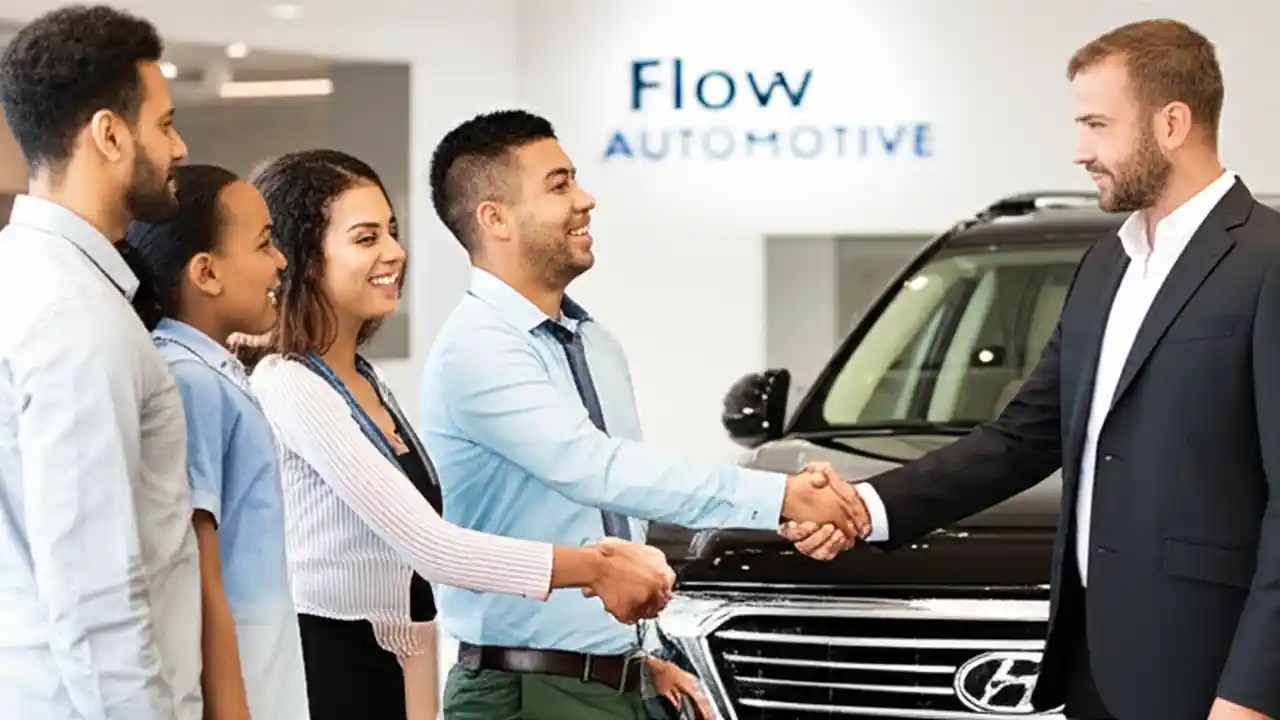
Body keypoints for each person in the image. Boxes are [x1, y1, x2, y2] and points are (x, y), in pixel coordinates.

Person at [785, 18, 1280, 720]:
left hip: (1209, 680)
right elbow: (1023, 437)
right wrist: (867, 506)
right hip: (1093, 674)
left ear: (1172, 122)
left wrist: (1254, 695)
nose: (1080, 152)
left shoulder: (1268, 262)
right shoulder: (1107, 263)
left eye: (1098, 125)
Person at [420, 109, 868, 719]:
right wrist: (783, 497)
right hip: (530, 691)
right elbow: (598, 470)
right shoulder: (478, 347)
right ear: (494, 218)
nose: (586, 199)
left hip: (614, 679)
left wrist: (639, 657)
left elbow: (615, 517)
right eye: (559, 185)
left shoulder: (591, 340)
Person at [244, 148, 677, 720]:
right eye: (366, 238)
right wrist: (594, 569)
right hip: (331, 668)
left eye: (393, 232)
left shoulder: (366, 381)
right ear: (304, 257)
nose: (394, 253)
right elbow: (433, 547)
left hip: (394, 667)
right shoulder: (290, 383)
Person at [0, 6, 203, 719]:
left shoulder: (30, 281)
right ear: (110, 134)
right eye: (166, 122)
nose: (179, 147)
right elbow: (94, 593)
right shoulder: (74, 316)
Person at [123, 164, 308, 720]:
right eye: (263, 244)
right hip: (240, 695)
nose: (279, 261)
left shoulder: (212, 372)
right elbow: (199, 578)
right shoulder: (190, 380)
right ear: (206, 272)